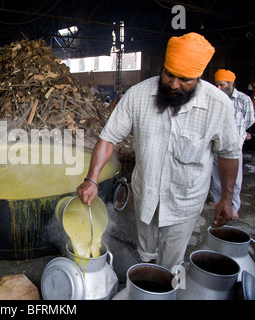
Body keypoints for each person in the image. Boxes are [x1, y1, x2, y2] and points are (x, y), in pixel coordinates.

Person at [77, 33, 241, 271]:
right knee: (146, 252)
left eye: (184, 79)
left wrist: (226, 198)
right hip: (147, 196)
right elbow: (108, 137)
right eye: (168, 74)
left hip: (185, 200)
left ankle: (165, 283)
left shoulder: (218, 105)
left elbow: (228, 153)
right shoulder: (138, 95)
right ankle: (148, 277)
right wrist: (91, 179)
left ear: (199, 77)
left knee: (172, 260)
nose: (173, 84)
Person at [208, 69, 255, 219]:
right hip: (217, 141)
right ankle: (216, 198)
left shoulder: (243, 99)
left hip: (234, 145)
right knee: (215, 172)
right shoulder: (215, 99)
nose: (218, 88)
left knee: (234, 176)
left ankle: (233, 205)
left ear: (231, 83)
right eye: (217, 85)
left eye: (221, 85)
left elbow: (249, 120)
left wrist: (240, 134)